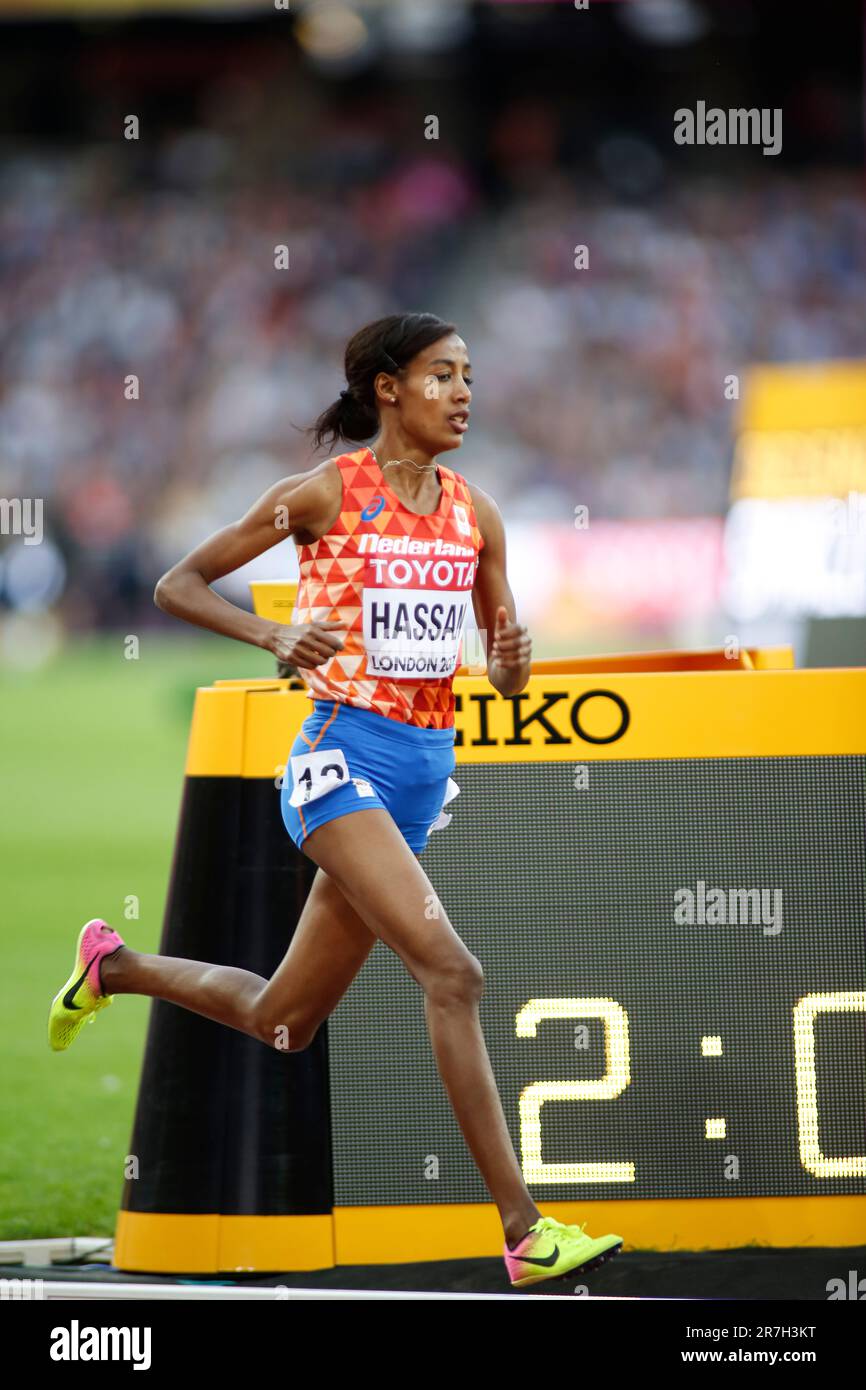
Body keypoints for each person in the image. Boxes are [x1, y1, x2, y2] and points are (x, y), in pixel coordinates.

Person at [48, 311, 623, 1290]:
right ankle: (523, 1230)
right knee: (454, 971)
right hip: (335, 765)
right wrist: (272, 638)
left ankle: (114, 966)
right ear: (386, 388)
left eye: (469, 376)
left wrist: (514, 663)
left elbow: (504, 673)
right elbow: (176, 585)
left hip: (418, 782)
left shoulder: (475, 515)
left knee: (285, 1018)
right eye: (443, 375)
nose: (464, 393)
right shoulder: (322, 494)